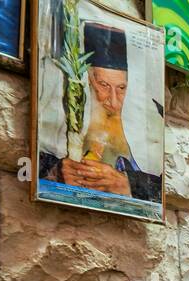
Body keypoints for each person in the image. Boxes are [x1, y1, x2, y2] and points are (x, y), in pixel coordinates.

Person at [38, 23, 162, 202]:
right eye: (103, 85)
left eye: (121, 88)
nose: (113, 100)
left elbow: (167, 190)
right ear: (88, 79)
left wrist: (128, 184)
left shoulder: (154, 119)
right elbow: (34, 159)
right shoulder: (63, 104)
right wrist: (56, 170)